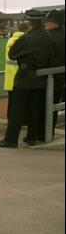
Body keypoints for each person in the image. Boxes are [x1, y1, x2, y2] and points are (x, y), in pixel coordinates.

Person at [0, 9, 54, 148]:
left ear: (30, 22)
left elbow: (12, 54)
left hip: (25, 77)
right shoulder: (48, 37)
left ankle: (10, 140)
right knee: (34, 109)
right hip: (40, 78)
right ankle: (31, 137)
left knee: (16, 110)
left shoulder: (27, 38)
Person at [38, 9, 65, 140]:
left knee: (46, 107)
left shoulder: (52, 38)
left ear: (56, 23)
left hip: (51, 78)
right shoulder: (59, 35)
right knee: (51, 107)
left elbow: (46, 58)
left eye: (48, 21)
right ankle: (48, 133)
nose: (45, 23)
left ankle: (45, 134)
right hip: (59, 78)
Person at [4, 22, 28, 119]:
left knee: (12, 100)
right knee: (23, 101)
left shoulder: (10, 40)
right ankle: (22, 119)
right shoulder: (26, 40)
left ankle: (10, 118)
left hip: (10, 74)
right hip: (21, 75)